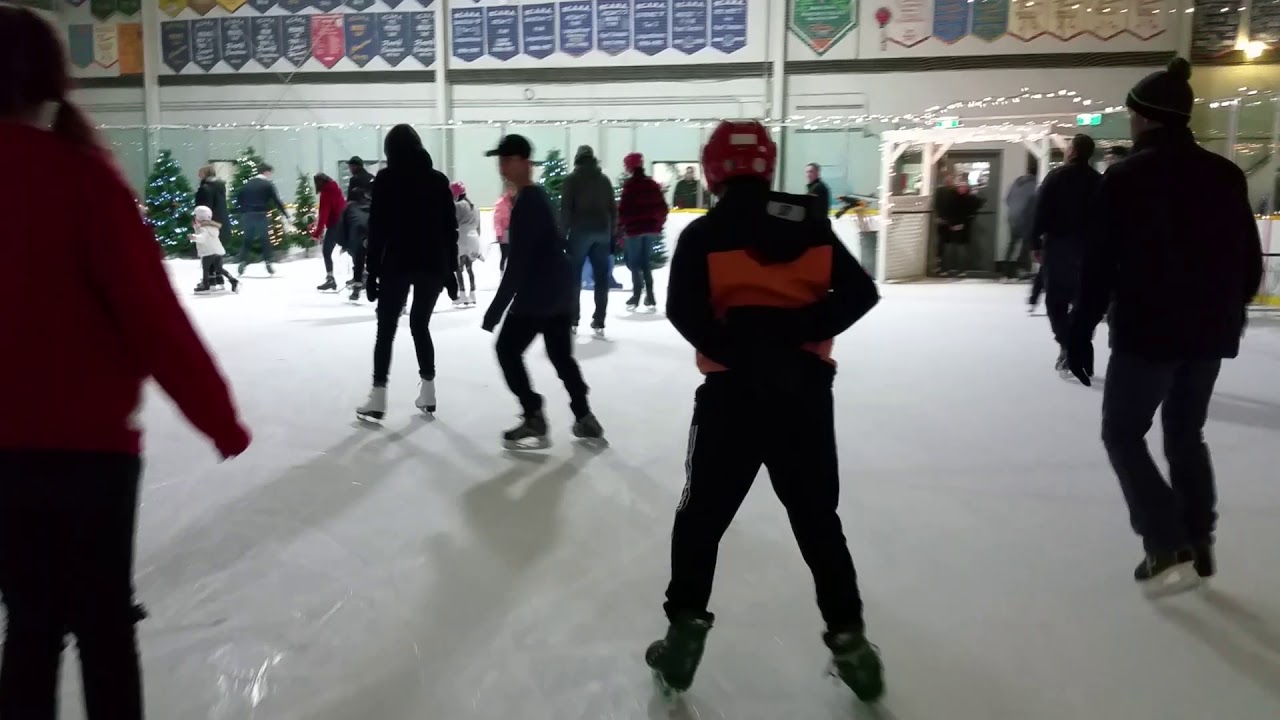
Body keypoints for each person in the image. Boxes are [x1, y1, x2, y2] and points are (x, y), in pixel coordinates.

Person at [0, 9, 252, 719]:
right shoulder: (83, 182)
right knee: (103, 628)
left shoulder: (82, 181)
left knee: (30, 625)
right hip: (89, 458)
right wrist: (219, 419)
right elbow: (153, 319)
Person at [650, 119, 883, 701]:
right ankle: (850, 640)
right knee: (816, 521)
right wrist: (795, 335)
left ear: (713, 170)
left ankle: (683, 634)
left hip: (731, 397)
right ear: (768, 165)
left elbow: (682, 311)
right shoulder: (810, 225)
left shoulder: (703, 235)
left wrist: (744, 349)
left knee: (701, 516)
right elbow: (860, 294)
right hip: (804, 395)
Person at [1066, 58, 1264, 593]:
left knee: (1123, 432)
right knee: (1185, 433)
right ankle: (1199, 541)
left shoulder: (1127, 177)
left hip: (1148, 333)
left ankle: (1165, 539)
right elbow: (1251, 263)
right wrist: (1225, 308)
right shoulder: (1225, 175)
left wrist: (1078, 331)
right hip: (1208, 333)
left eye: (1132, 114)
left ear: (1147, 118)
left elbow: (1099, 265)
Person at [481, 134, 603, 446]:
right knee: (561, 356)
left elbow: (518, 263)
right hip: (557, 290)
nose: (502, 167)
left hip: (539, 294)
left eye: (508, 160)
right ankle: (584, 416)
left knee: (507, 350)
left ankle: (533, 414)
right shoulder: (537, 198)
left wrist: (496, 309)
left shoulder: (528, 203)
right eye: (501, 160)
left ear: (525, 163)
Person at [355, 124, 459, 421]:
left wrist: (371, 271)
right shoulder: (438, 181)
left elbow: (378, 230)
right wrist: (450, 271)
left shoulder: (387, 179)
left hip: (397, 263)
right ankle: (428, 391)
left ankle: (378, 397)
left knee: (386, 330)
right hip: (431, 263)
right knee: (419, 326)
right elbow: (449, 230)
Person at [1031, 134, 1101, 373]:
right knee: (1083, 302)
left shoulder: (1056, 177)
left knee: (1056, 301)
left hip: (1059, 246)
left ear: (1071, 151)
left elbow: (1040, 210)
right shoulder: (1098, 180)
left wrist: (1034, 242)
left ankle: (1067, 343)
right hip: (1089, 248)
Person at [561, 144, 617, 337]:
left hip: (580, 233)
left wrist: (562, 235)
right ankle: (599, 320)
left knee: (573, 277)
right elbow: (613, 209)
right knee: (601, 278)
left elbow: (566, 210)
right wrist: (612, 234)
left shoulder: (571, 180)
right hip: (602, 232)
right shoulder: (604, 180)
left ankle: (573, 319)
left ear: (577, 158)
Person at [617, 151, 669, 311]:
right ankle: (651, 296)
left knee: (634, 263)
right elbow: (663, 207)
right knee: (645, 263)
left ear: (629, 166)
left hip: (634, 230)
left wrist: (621, 227)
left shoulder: (630, 185)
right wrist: (658, 225)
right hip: (650, 230)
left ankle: (636, 295)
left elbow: (623, 209)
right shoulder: (651, 184)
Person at [235, 161, 288, 276]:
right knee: (265, 239)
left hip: (248, 215)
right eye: (270, 173)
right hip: (261, 214)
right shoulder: (268, 185)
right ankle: (268, 262)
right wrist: (286, 214)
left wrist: (242, 210)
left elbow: (239, 198)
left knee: (247, 239)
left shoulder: (248, 184)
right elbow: (276, 200)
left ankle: (243, 261)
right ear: (266, 172)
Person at [933, 176, 983, 276]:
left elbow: (965, 211)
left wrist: (954, 223)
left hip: (958, 226)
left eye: (963, 186)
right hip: (956, 225)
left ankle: (955, 269)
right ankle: (951, 268)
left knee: (956, 248)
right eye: (960, 186)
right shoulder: (964, 197)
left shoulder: (955, 197)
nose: (962, 188)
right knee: (954, 248)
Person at [1003, 157, 1038, 281]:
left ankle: (1006, 273)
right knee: (1027, 243)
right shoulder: (1035, 184)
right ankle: (1021, 270)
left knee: (1012, 244)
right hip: (1026, 217)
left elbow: (1007, 199)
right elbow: (1036, 202)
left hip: (1012, 217)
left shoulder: (1015, 183)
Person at [311, 172, 347, 291]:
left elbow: (324, 215)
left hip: (335, 225)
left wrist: (317, 233)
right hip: (344, 223)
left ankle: (330, 278)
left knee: (326, 251)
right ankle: (361, 273)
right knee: (352, 249)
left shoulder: (326, 194)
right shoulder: (336, 188)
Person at [192, 205, 238, 293]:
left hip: (208, 252)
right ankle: (233, 280)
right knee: (219, 268)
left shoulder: (203, 228)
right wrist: (196, 228)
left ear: (198, 217)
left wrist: (194, 237)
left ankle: (206, 286)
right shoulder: (212, 227)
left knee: (206, 269)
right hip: (218, 252)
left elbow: (202, 237)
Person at [452, 181, 482, 308]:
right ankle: (473, 293)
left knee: (459, 269)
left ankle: (463, 294)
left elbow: (452, 223)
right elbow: (479, 227)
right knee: (470, 268)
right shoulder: (474, 207)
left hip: (461, 239)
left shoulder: (457, 206)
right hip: (474, 238)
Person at [338, 185, 371, 301]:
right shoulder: (370, 205)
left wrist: (344, 244)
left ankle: (357, 288)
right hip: (373, 234)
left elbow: (342, 227)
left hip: (358, 235)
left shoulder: (348, 207)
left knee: (359, 261)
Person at [195, 164, 231, 249]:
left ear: (205, 174)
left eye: (200, 173)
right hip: (220, 217)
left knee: (208, 243)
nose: (198, 175)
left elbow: (205, 205)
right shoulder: (219, 186)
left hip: (209, 218)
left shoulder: (205, 188)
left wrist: (200, 218)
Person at [493, 181, 515, 274]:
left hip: (516, 232)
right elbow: (497, 220)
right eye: (509, 188)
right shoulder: (501, 203)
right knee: (505, 254)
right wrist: (499, 234)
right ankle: (502, 272)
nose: (511, 190)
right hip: (505, 233)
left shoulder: (518, 200)